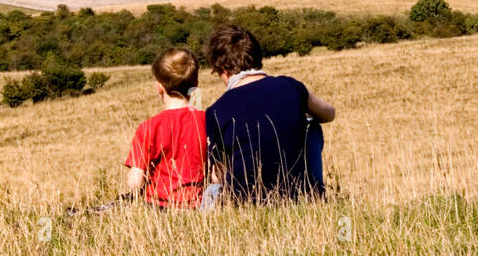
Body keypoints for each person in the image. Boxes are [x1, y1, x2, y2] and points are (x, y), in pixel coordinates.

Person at [203, 25, 335, 203]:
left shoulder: (217, 110)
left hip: (246, 201)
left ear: (223, 70)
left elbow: (217, 175)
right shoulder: (290, 86)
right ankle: (315, 192)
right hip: (298, 195)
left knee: (212, 190)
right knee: (312, 126)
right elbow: (329, 114)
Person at [123, 48, 207, 209]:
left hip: (158, 207)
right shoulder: (206, 120)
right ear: (195, 85)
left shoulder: (149, 127)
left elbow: (134, 182)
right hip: (198, 205)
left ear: (159, 86)